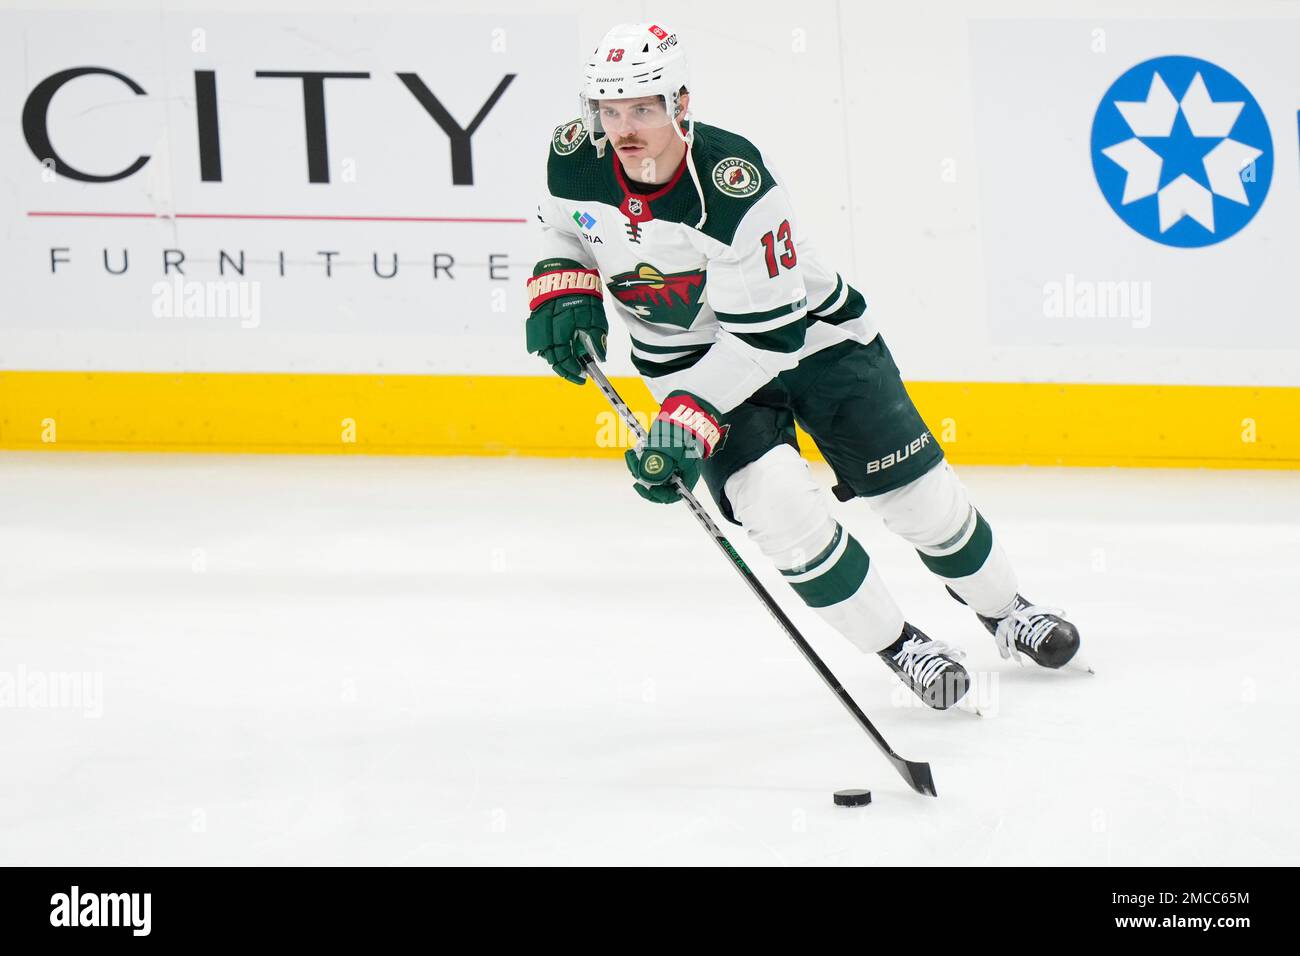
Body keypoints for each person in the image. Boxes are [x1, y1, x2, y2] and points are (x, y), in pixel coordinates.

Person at [525, 22, 1081, 710]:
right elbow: (564, 227)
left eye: (643, 109)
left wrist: (688, 420)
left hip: (812, 342)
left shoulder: (732, 185)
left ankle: (1005, 609)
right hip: (690, 362)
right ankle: (901, 645)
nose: (625, 128)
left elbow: (769, 340)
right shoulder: (573, 157)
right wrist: (563, 284)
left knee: (918, 500)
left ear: (680, 103)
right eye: (610, 112)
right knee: (781, 512)